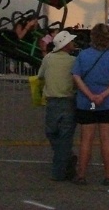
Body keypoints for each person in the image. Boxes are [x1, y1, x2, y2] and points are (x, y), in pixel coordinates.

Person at [72, 22, 109, 186]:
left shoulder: (83, 56)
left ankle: (81, 175)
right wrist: (103, 95)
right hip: (108, 103)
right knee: (106, 139)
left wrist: (91, 95)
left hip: (87, 103)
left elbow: (76, 77)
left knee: (86, 140)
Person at [37, 30, 79, 181]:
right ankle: (66, 161)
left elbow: (40, 75)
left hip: (52, 101)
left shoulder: (48, 58)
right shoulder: (74, 61)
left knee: (52, 133)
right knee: (65, 136)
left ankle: (59, 170)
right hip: (68, 100)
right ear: (66, 45)